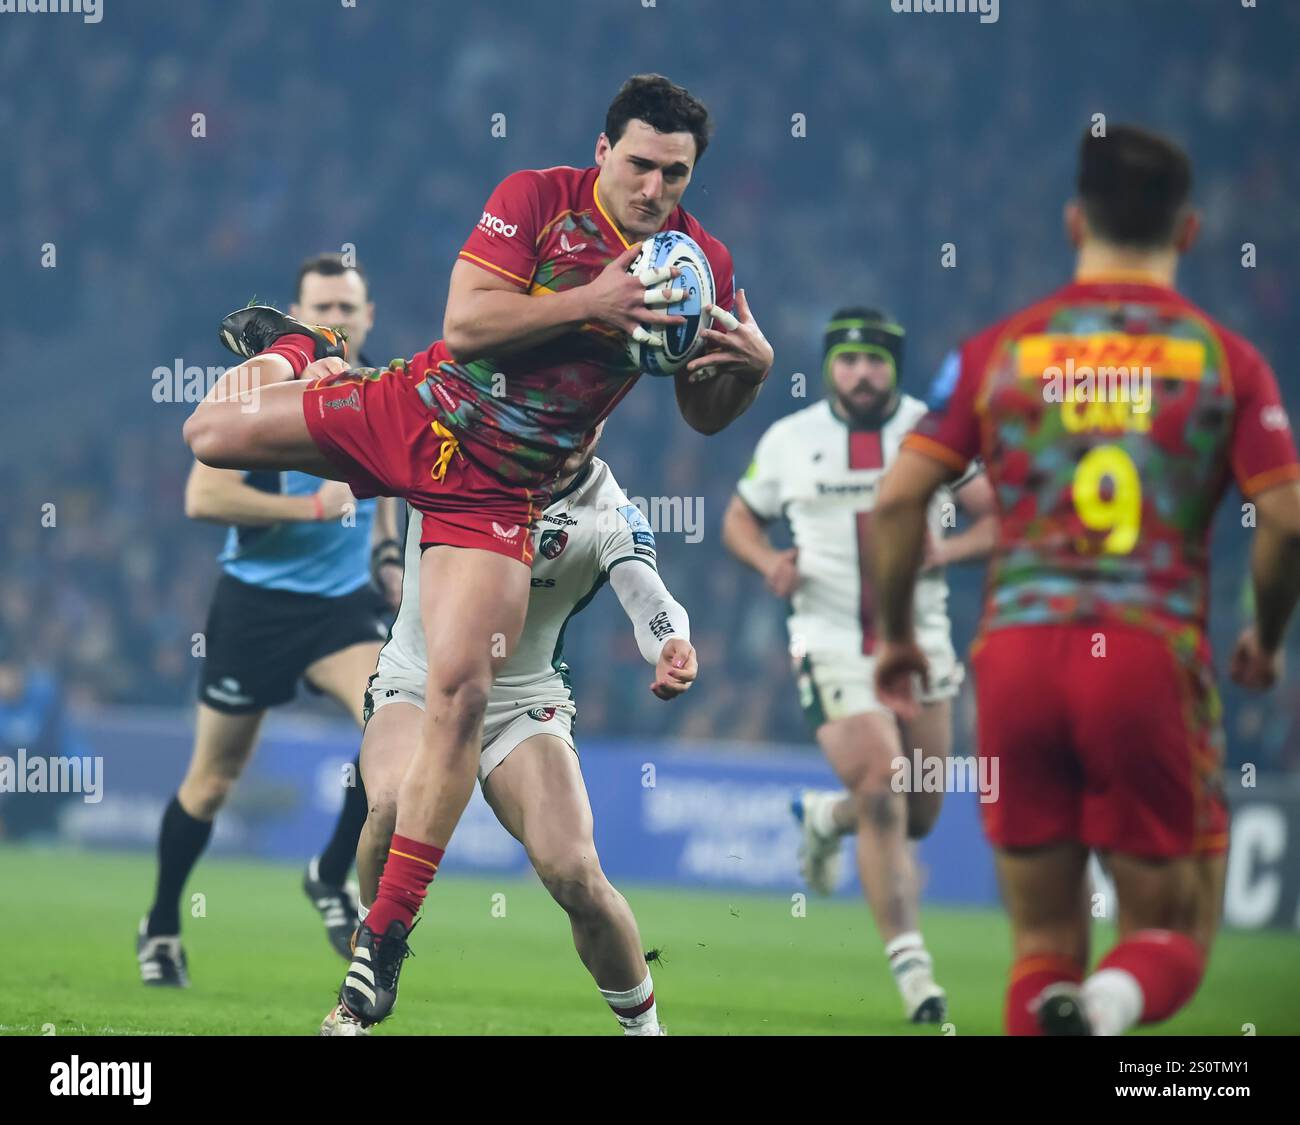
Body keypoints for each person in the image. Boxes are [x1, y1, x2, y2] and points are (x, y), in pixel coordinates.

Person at [183, 74, 772, 1023]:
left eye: (676, 172)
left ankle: (379, 951)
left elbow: (703, 413)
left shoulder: (696, 264)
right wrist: (594, 300)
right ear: (602, 151)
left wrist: (749, 374)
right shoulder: (534, 199)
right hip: (418, 406)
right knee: (209, 432)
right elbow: (466, 327)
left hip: (498, 488)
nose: (657, 187)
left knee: (461, 691)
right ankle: (310, 348)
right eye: (640, 164)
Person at [871, 125, 1300, 1035]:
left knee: (1042, 941)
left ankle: (1069, 1003)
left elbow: (901, 499)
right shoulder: (1225, 360)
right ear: (1189, 232)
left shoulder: (1002, 351)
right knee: (1172, 928)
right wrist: (1267, 635)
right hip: (1144, 657)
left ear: (1075, 221)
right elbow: (1289, 518)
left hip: (1018, 658)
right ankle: (1102, 1012)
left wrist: (901, 632)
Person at [320, 428, 696, 1035]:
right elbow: (354, 429)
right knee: (389, 806)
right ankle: (372, 964)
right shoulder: (447, 446)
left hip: (522, 701)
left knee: (574, 872)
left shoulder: (607, 509)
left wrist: (670, 641)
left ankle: (646, 1032)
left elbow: (648, 594)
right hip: (419, 680)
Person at [722, 308, 996, 1022]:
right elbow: (736, 519)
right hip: (827, 637)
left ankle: (824, 818)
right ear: (829, 367)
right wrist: (767, 559)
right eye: (847, 360)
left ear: (894, 367)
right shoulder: (790, 439)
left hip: (922, 639)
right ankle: (915, 975)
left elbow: (1001, 517)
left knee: (921, 812)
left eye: (875, 359)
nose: (861, 373)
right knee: (882, 783)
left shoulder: (933, 431)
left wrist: (953, 549)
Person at [139, 254, 403, 987]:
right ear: (297, 311)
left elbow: (383, 496)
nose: (340, 319)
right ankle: (160, 922)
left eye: (350, 308)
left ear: (368, 316)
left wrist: (388, 559)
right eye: (324, 306)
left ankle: (327, 871)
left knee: (390, 724)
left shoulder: (379, 384)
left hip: (342, 610)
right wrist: (303, 508)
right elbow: (202, 497)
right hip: (255, 606)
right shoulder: (270, 388)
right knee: (214, 779)